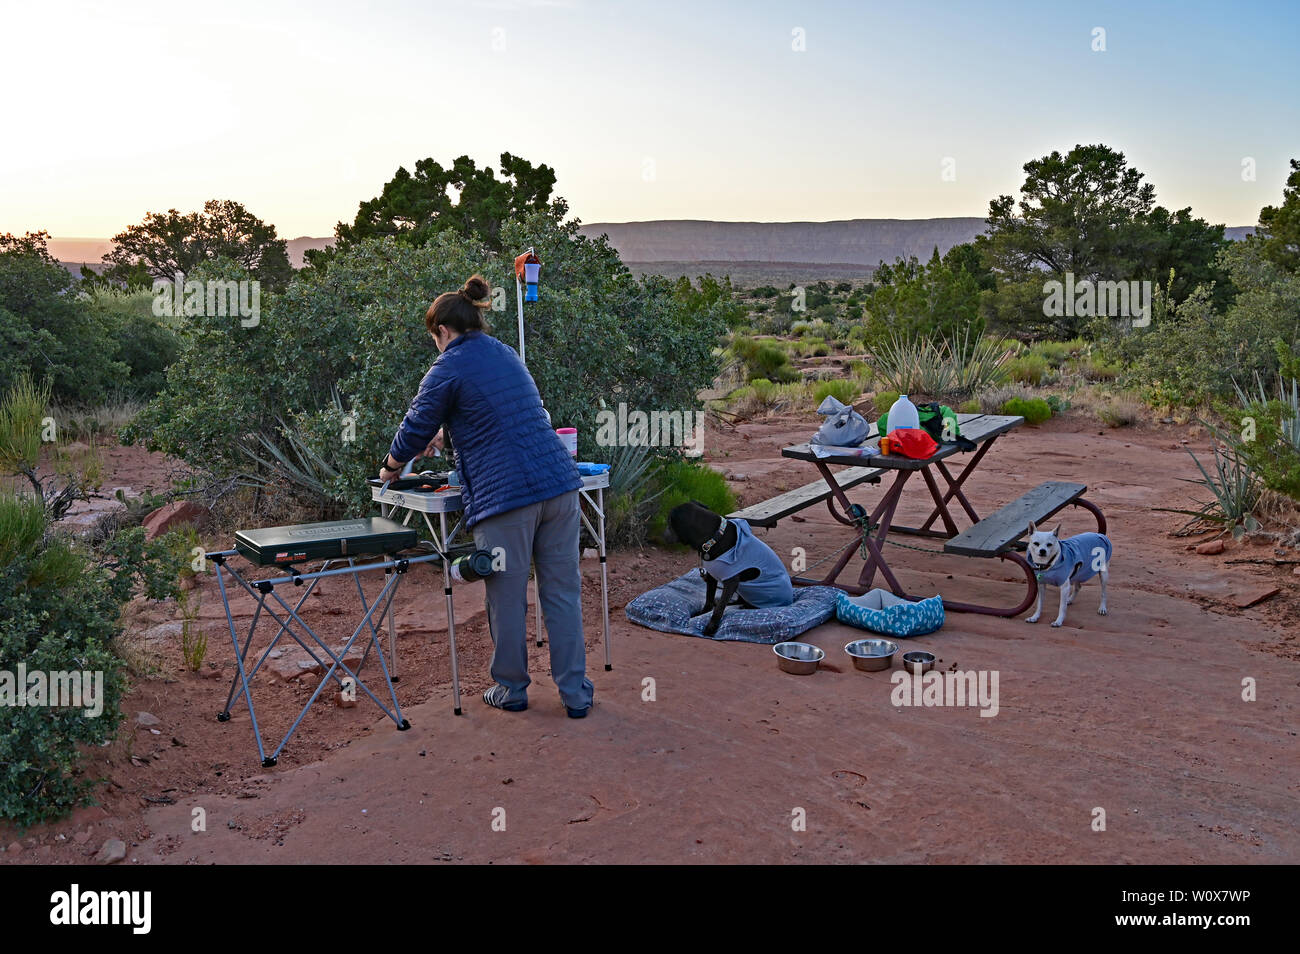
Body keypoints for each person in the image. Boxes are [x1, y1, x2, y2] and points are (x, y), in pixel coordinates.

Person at [379, 275, 593, 717]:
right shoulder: (505, 353)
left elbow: (415, 425)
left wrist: (390, 468)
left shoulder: (448, 365)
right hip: (559, 482)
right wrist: (448, 431)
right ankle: (576, 696)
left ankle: (511, 689)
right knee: (562, 593)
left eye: (433, 338)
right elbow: (499, 411)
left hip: (506, 496)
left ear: (442, 331)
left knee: (507, 594)